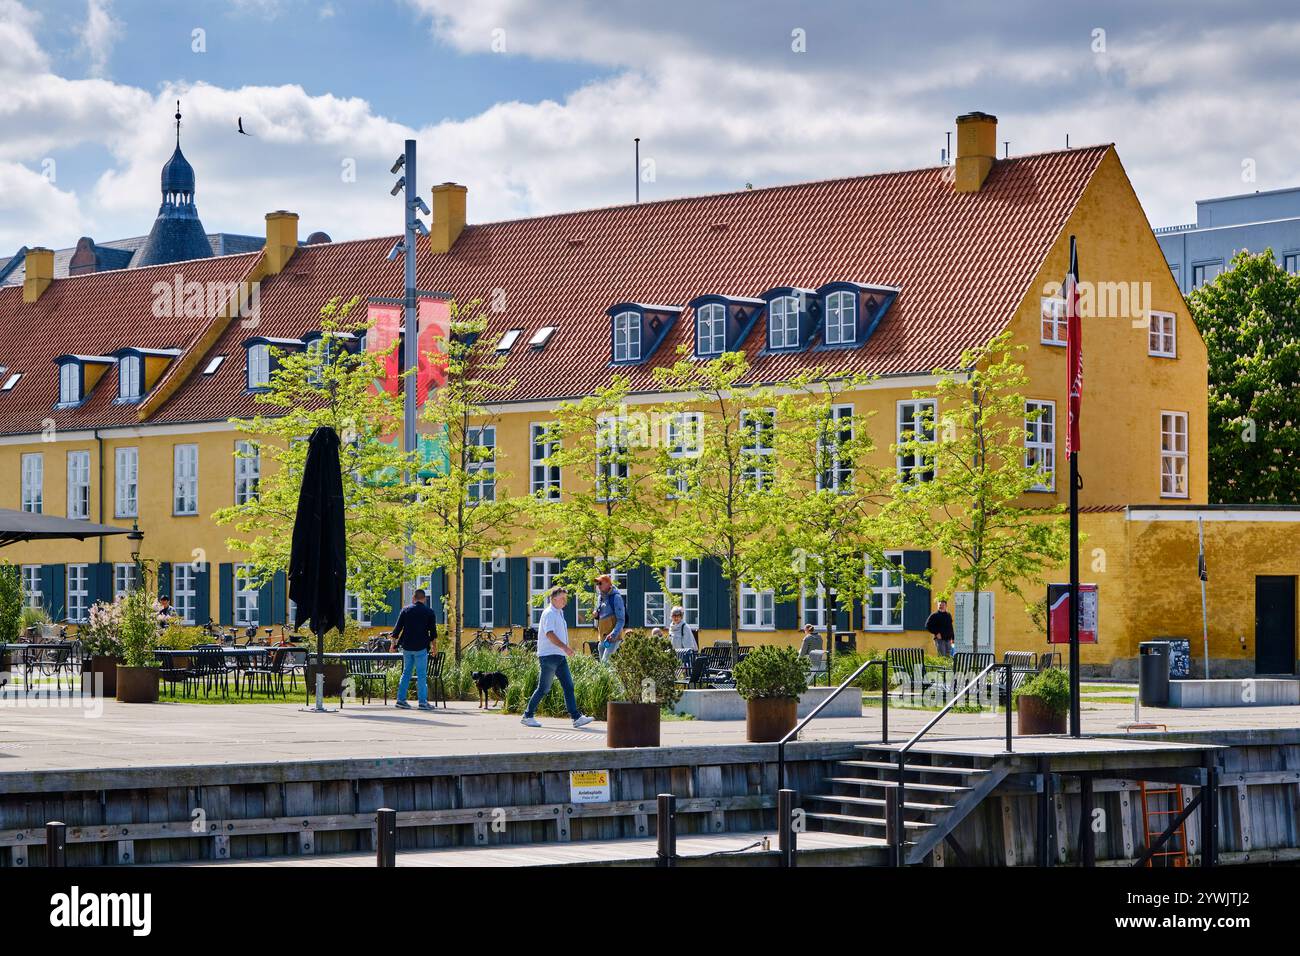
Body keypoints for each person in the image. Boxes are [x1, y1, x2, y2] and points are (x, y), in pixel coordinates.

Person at [522, 587, 595, 728]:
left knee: (568, 686)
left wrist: (563, 650)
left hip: (559, 656)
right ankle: (527, 715)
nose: (565, 601)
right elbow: (549, 634)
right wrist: (565, 647)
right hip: (549, 656)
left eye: (565, 598)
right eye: (562, 598)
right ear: (553, 599)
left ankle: (576, 717)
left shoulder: (559, 613)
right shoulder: (549, 613)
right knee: (543, 688)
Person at [389, 588, 438, 711]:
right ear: (424, 599)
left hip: (407, 647)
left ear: (414, 598)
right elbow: (432, 633)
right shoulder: (429, 612)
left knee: (406, 673)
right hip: (421, 647)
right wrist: (434, 647)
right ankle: (422, 702)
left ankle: (401, 700)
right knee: (421, 675)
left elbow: (397, 629)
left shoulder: (405, 610)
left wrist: (393, 645)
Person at [594, 574, 626, 662]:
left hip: (613, 638)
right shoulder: (600, 597)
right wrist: (596, 614)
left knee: (605, 662)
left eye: (600, 583)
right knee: (603, 666)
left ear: (608, 583)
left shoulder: (616, 598)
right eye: (597, 584)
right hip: (602, 637)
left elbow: (621, 620)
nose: (598, 586)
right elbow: (600, 614)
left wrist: (613, 634)